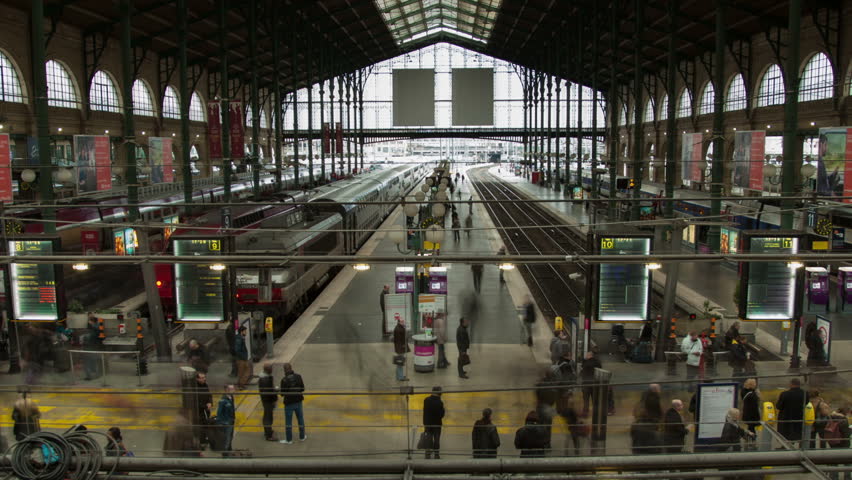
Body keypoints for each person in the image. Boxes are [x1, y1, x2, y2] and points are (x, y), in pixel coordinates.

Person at [279, 363, 307, 444]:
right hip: (298, 401)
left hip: (289, 403)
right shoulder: (298, 377)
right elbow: (302, 388)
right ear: (291, 368)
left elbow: (282, 394)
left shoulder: (284, 380)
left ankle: (289, 440)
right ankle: (302, 436)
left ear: (284, 370)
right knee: (300, 419)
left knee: (288, 421)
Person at [776, 378, 808, 443]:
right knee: (798, 435)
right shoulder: (805, 394)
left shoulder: (784, 394)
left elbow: (778, 406)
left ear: (791, 384)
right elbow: (806, 403)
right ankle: (800, 446)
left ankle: (786, 446)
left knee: (786, 436)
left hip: (786, 418)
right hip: (799, 417)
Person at [191, 372, 213, 447]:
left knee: (205, 425)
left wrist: (210, 402)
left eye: (204, 377)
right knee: (200, 427)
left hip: (206, 411)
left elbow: (209, 395)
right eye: (202, 378)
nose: (204, 379)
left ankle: (203, 440)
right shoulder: (194, 388)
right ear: (197, 379)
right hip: (199, 412)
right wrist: (205, 406)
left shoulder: (205, 385)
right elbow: (195, 401)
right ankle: (199, 443)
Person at [423, 386, 445, 459]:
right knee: (436, 440)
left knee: (428, 439)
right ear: (438, 392)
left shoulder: (426, 400)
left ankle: (427, 454)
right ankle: (436, 455)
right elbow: (441, 415)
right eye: (440, 391)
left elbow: (425, 412)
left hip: (427, 423)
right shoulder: (439, 402)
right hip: (437, 424)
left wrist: (425, 423)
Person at [258, 363, 278, 441]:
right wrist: (274, 398)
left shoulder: (265, 378)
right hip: (268, 401)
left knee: (268, 416)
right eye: (270, 369)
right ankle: (269, 435)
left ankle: (268, 431)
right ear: (268, 370)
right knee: (268, 417)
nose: (272, 370)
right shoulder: (266, 380)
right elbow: (270, 392)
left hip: (266, 400)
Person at [214, 385, 236, 452]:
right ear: (227, 390)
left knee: (230, 436)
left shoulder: (231, 397)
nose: (234, 390)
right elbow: (219, 412)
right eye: (232, 389)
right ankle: (225, 451)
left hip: (231, 420)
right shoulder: (223, 400)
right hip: (226, 421)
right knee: (227, 437)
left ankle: (229, 448)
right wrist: (220, 422)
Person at [580, 350, 602, 417]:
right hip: (595, 383)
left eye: (587, 355)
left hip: (586, 383)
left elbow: (582, 370)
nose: (586, 356)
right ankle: (596, 412)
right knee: (595, 399)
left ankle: (585, 412)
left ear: (589, 355)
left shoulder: (586, 363)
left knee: (586, 399)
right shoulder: (597, 362)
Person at [83, 316, 103, 380]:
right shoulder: (99, 327)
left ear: (91, 321)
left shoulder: (93, 328)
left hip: (91, 347)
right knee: (94, 361)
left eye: (89, 320)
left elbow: (90, 338)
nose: (89, 322)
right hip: (96, 347)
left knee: (88, 362)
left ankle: (89, 376)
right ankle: (96, 374)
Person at [393, 316, 409, 381]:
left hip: (399, 348)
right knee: (400, 363)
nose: (403, 322)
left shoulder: (400, 327)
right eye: (402, 321)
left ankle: (399, 376)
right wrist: (403, 346)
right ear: (399, 322)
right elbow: (399, 340)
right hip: (400, 348)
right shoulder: (398, 329)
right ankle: (400, 377)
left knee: (399, 362)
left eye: (403, 321)